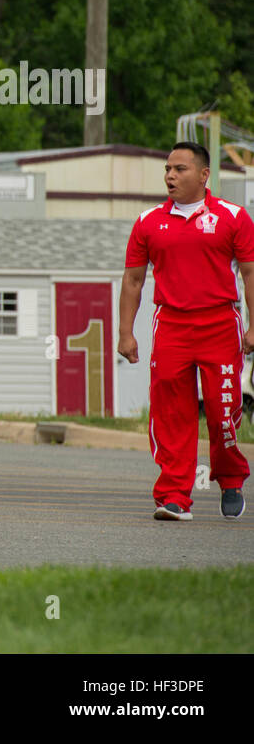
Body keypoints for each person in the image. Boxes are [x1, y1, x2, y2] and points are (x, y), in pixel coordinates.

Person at [119, 141, 252, 521]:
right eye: (167, 169)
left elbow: (249, 273)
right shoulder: (148, 221)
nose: (170, 176)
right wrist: (125, 332)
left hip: (220, 324)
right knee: (171, 412)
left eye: (180, 169)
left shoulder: (232, 217)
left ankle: (230, 479)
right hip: (172, 325)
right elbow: (132, 280)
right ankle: (174, 496)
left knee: (222, 410)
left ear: (204, 175)